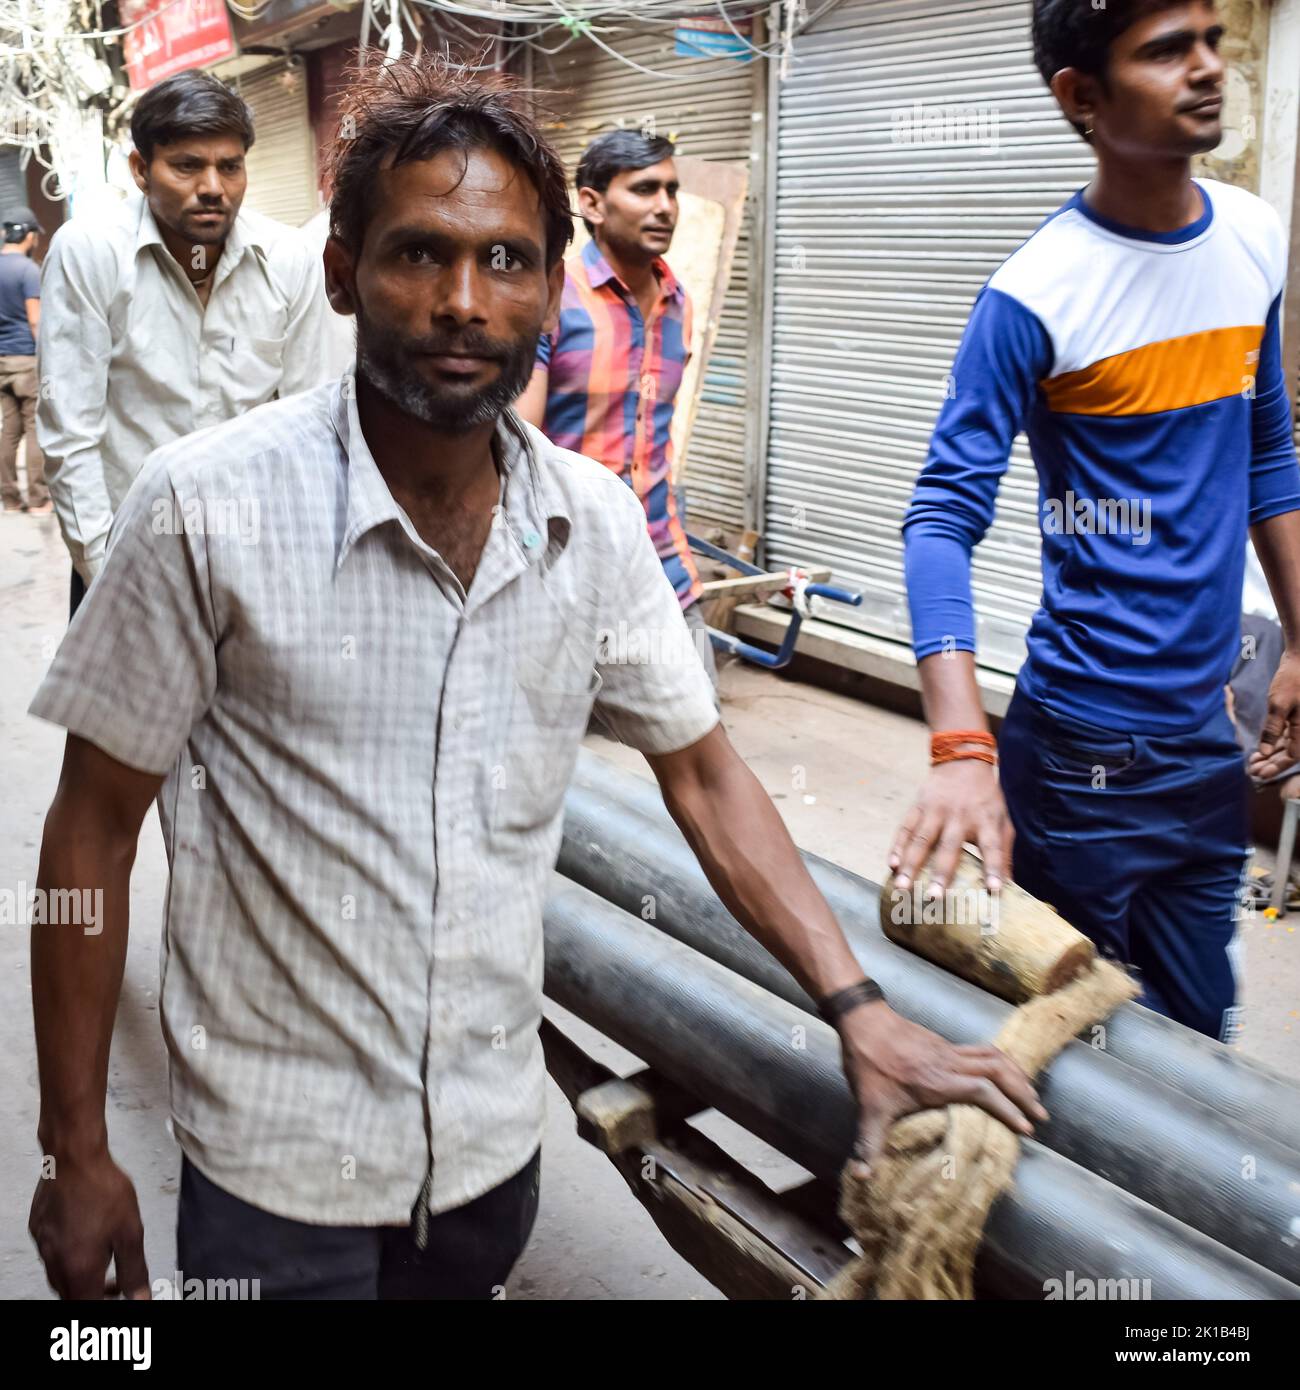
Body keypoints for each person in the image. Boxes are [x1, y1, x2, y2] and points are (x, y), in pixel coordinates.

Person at [27, 57, 1042, 1302]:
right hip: (271, 1177)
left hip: (488, 1167)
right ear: (341, 272)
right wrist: (76, 1147)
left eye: (505, 260)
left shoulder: (594, 528)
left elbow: (707, 777)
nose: (464, 299)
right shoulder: (199, 509)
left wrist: (857, 1007)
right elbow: (87, 839)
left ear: (550, 286)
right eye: (419, 254)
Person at [890, 0, 1300, 1041]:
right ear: (1081, 96)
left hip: (1209, 737)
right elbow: (940, 517)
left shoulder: (1253, 237)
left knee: (1197, 1029)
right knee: (1068, 1038)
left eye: (1209, 37)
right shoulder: (1033, 296)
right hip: (1081, 750)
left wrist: (1298, 639)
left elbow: (1267, 456)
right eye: (1166, 51)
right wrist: (958, 749)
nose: (1207, 67)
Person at [37, 67, 327, 616]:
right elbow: (70, 435)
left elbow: (311, 423)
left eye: (230, 167)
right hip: (127, 556)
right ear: (141, 170)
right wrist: (105, 578)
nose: (213, 187)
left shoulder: (290, 258)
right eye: (187, 166)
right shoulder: (90, 252)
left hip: (252, 559)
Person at [514, 130, 717, 684]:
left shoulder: (679, 303)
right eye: (645, 189)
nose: (665, 207)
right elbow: (519, 444)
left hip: (663, 560)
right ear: (592, 203)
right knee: (557, 754)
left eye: (672, 191)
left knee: (702, 728)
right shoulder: (553, 299)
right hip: (567, 567)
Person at [0, 206, 48, 515]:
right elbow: (35, 321)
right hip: (26, 359)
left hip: (1, 361)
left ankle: (9, 498)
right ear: (29, 236)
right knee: (35, 428)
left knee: (9, 428)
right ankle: (38, 499)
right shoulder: (29, 271)